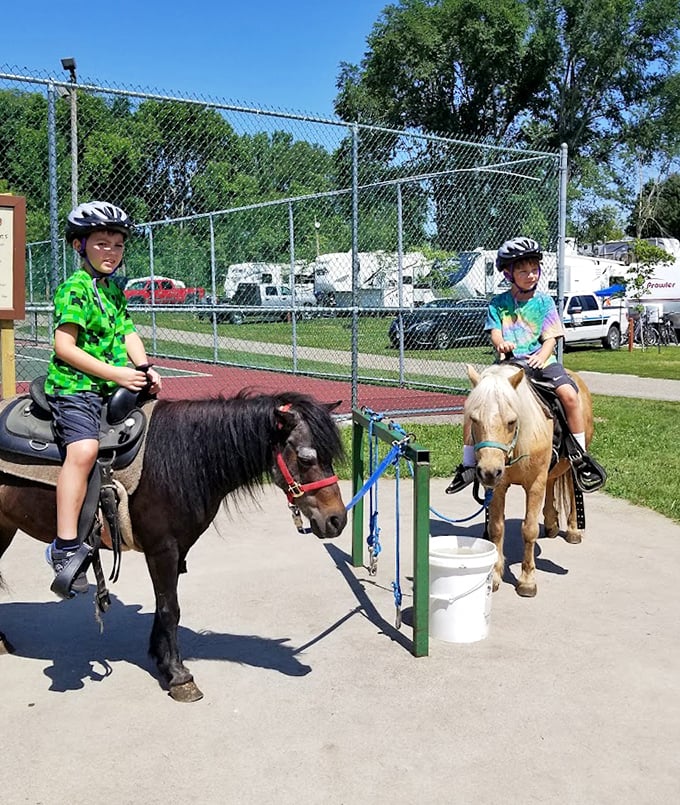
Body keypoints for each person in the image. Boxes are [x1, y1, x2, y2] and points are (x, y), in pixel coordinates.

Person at [44, 201, 161, 594]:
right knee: (83, 450)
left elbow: (129, 333)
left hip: (111, 384)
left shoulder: (113, 288)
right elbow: (64, 347)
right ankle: (64, 546)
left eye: (117, 245)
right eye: (101, 244)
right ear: (80, 246)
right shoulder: (74, 288)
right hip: (74, 388)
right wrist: (115, 374)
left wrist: (144, 370)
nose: (111, 252)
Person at [446, 236, 586, 494]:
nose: (530, 275)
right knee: (474, 404)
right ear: (509, 274)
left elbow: (551, 338)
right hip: (508, 365)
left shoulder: (544, 302)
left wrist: (543, 356)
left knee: (569, 395)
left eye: (534, 270)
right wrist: (501, 345)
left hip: (541, 362)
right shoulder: (498, 304)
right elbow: (496, 333)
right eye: (523, 271)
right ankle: (467, 463)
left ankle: (580, 455)